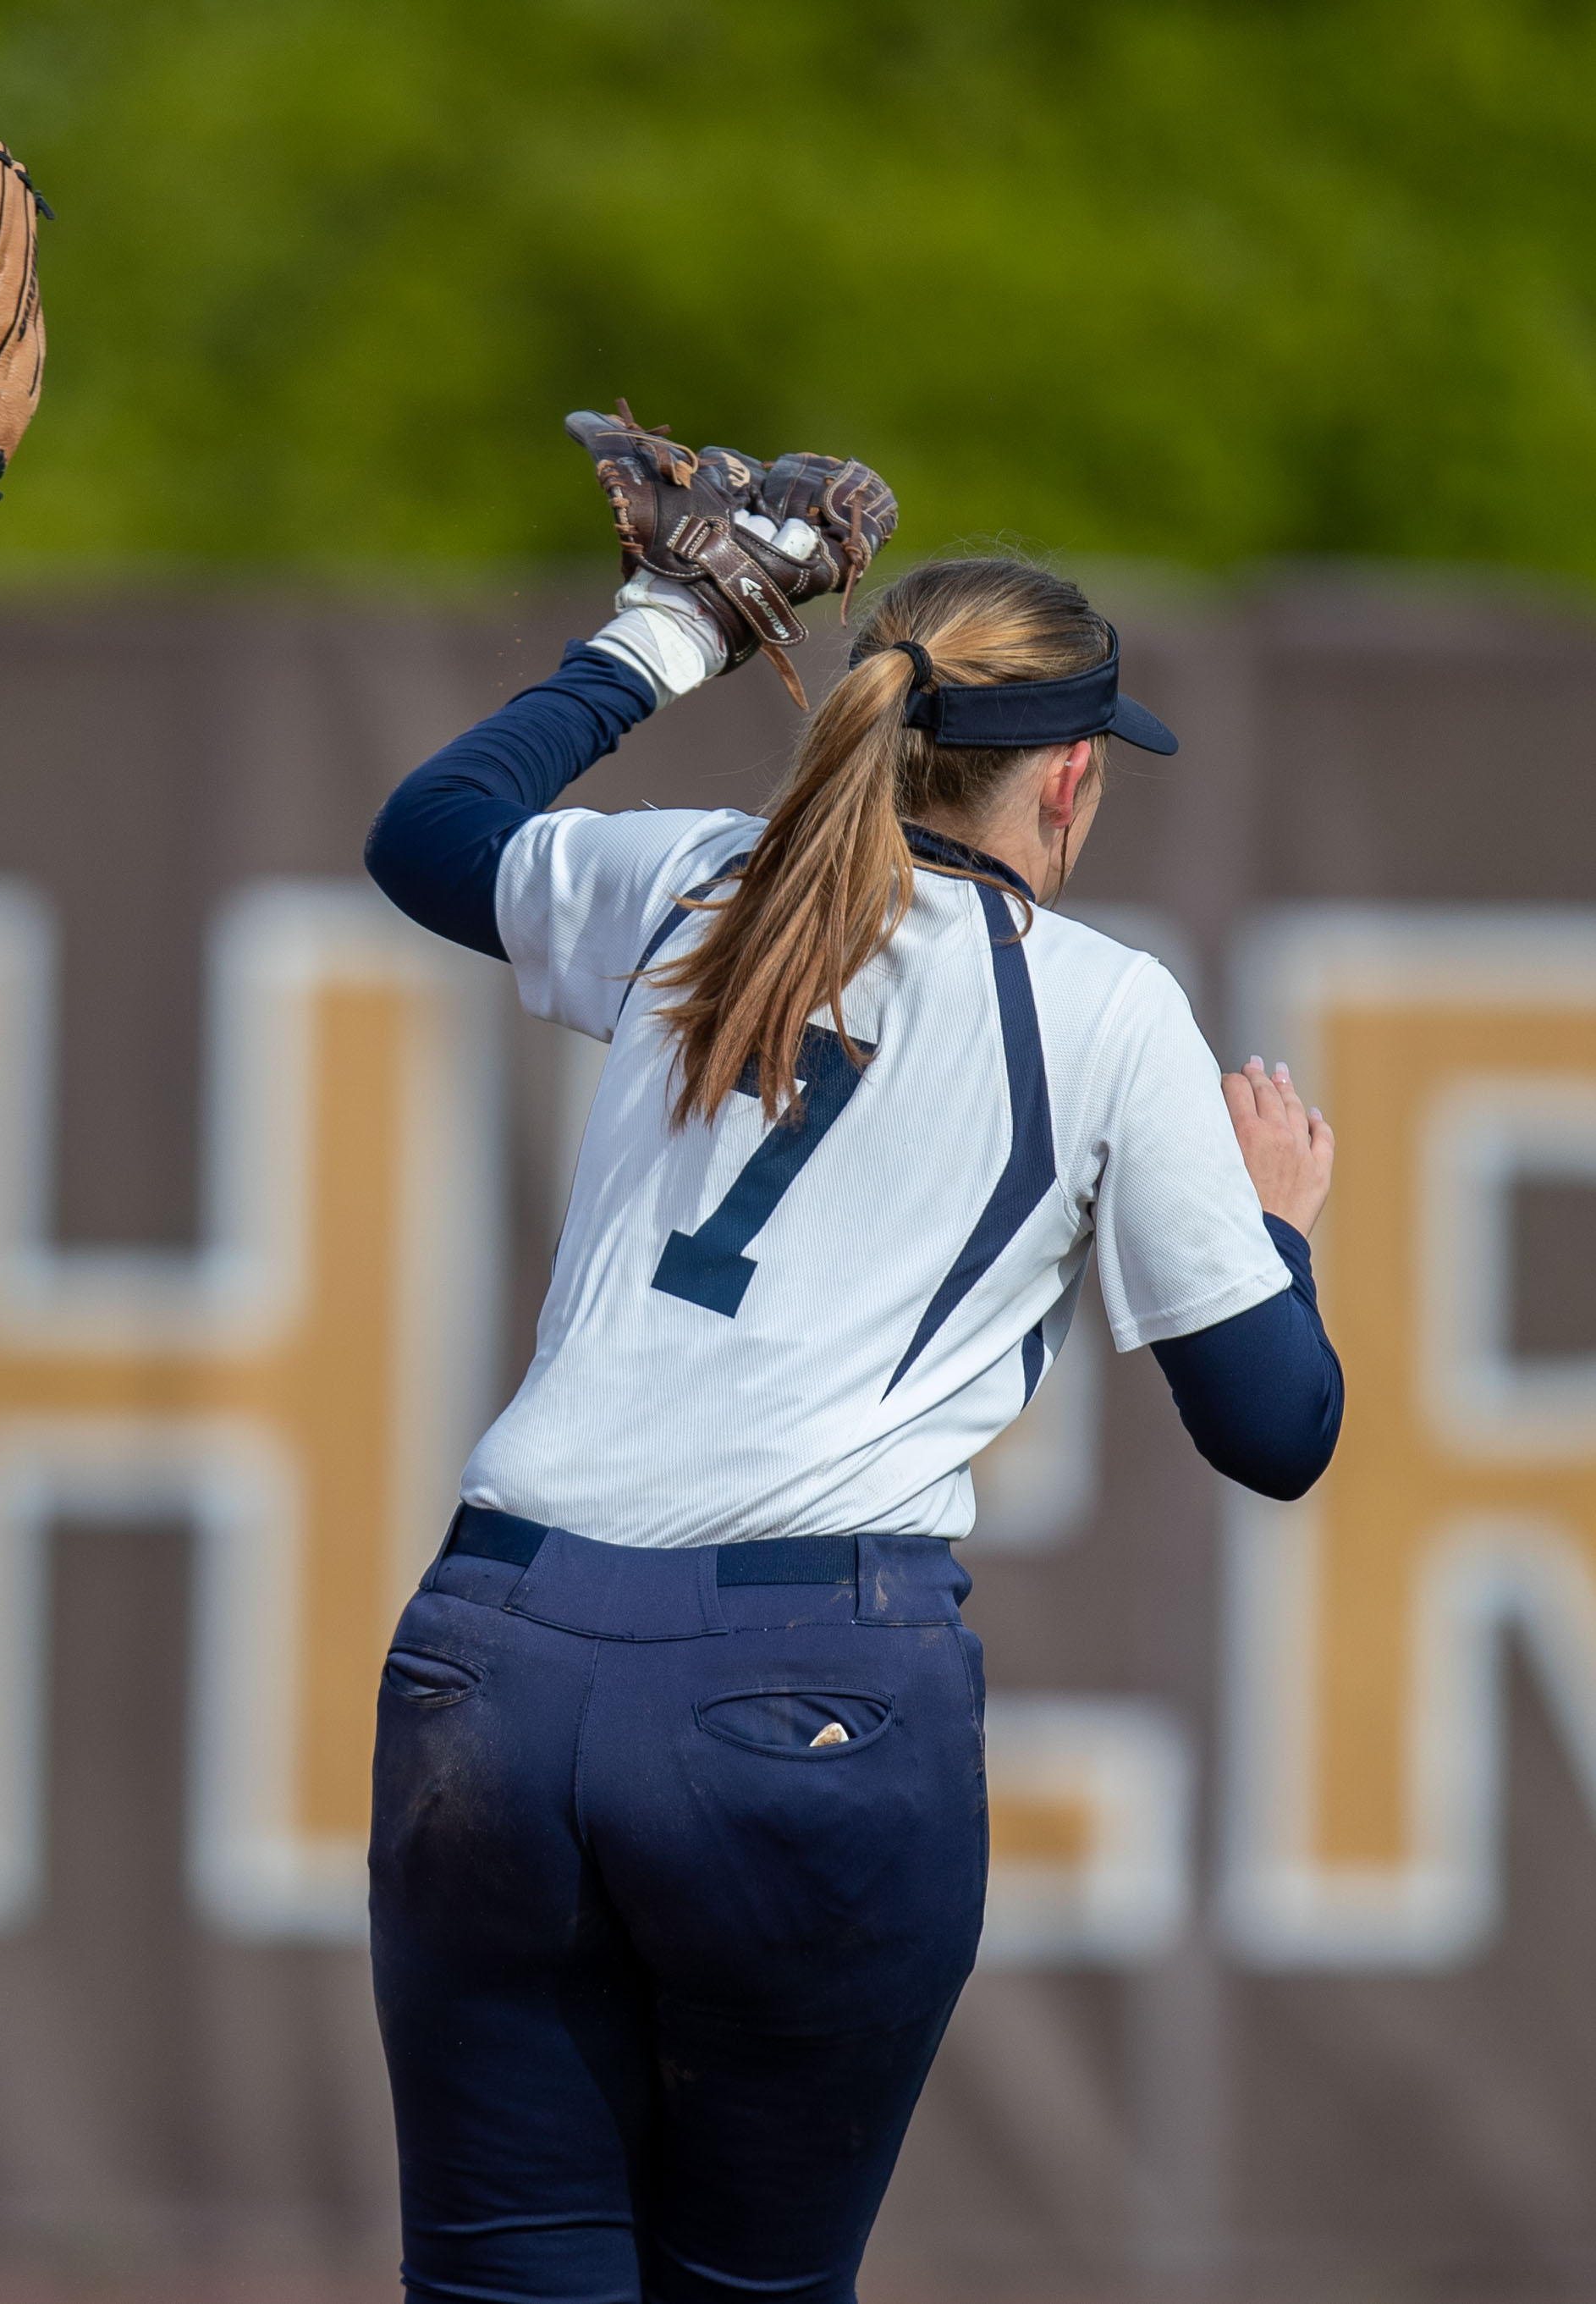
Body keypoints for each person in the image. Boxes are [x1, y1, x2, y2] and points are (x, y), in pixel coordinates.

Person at [359, 517, 1342, 2303]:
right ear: (1067, 784)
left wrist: (668, 627)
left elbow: (424, 837)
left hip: (489, 1656)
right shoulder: (1109, 1008)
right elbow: (1276, 1424)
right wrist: (1276, 1226)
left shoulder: (709, 882)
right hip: (804, 1691)